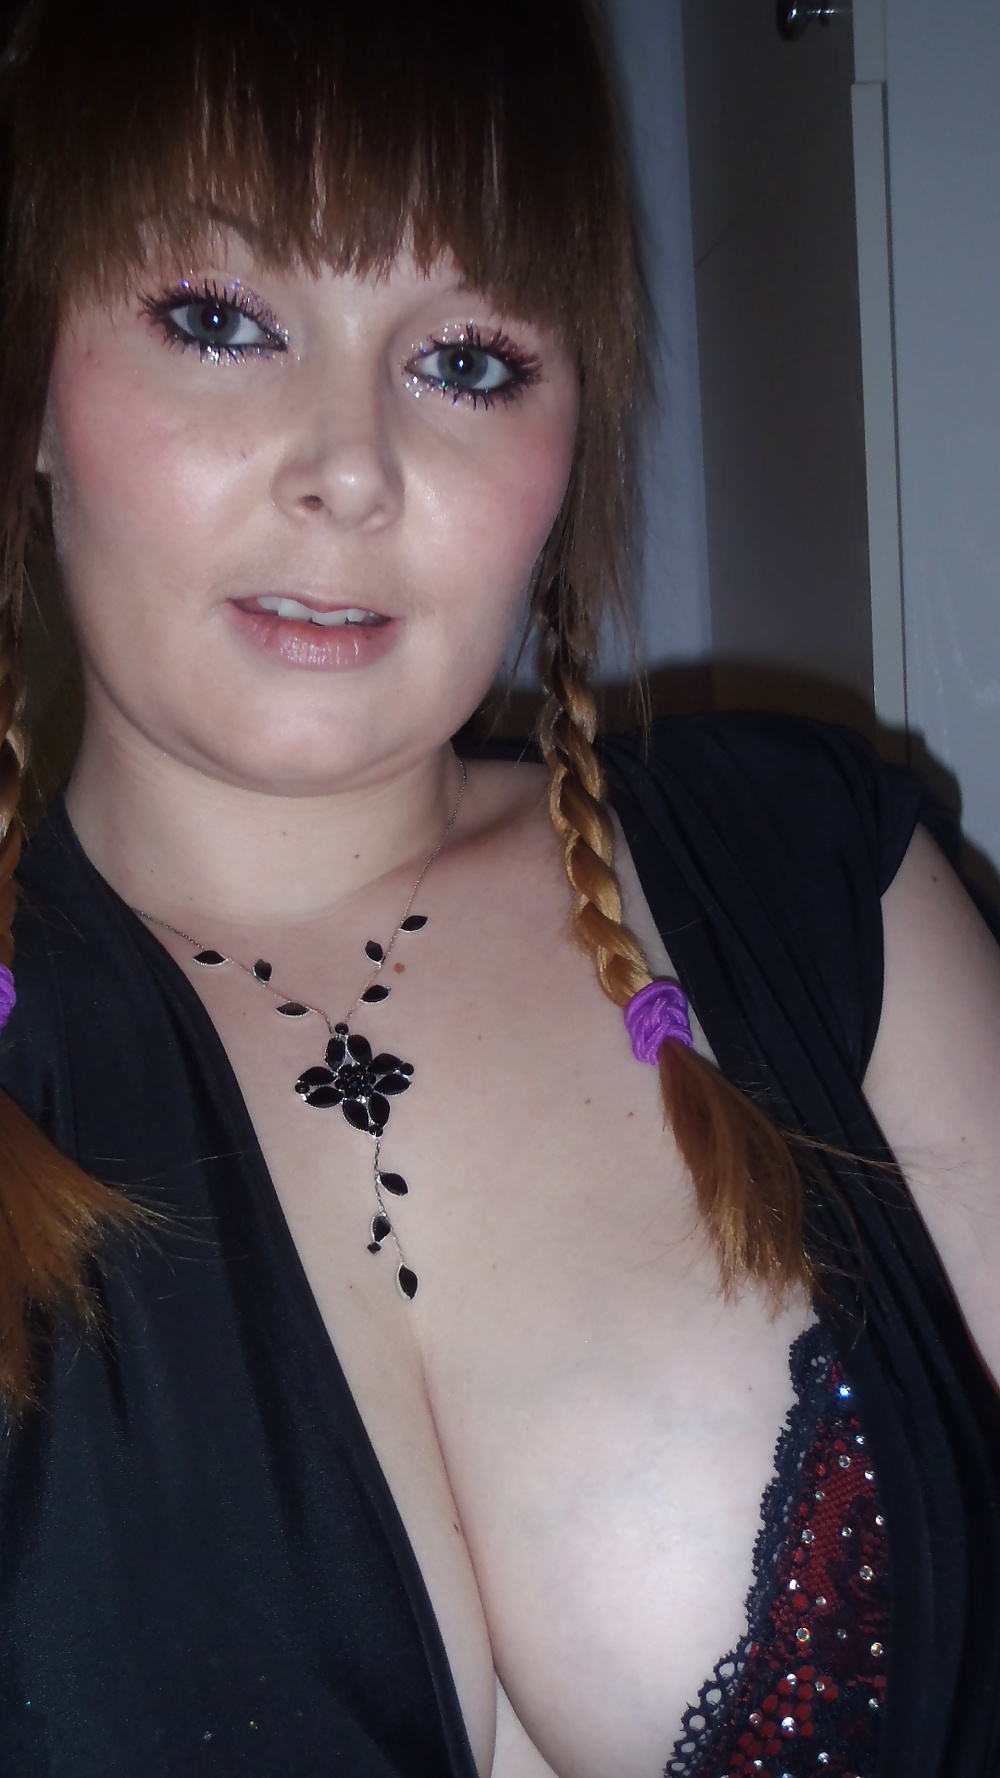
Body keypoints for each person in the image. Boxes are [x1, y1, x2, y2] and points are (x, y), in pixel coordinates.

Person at [0, 2, 997, 1774]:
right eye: (220, 320)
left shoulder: (814, 870)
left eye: (465, 360)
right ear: (31, 388)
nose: (351, 467)